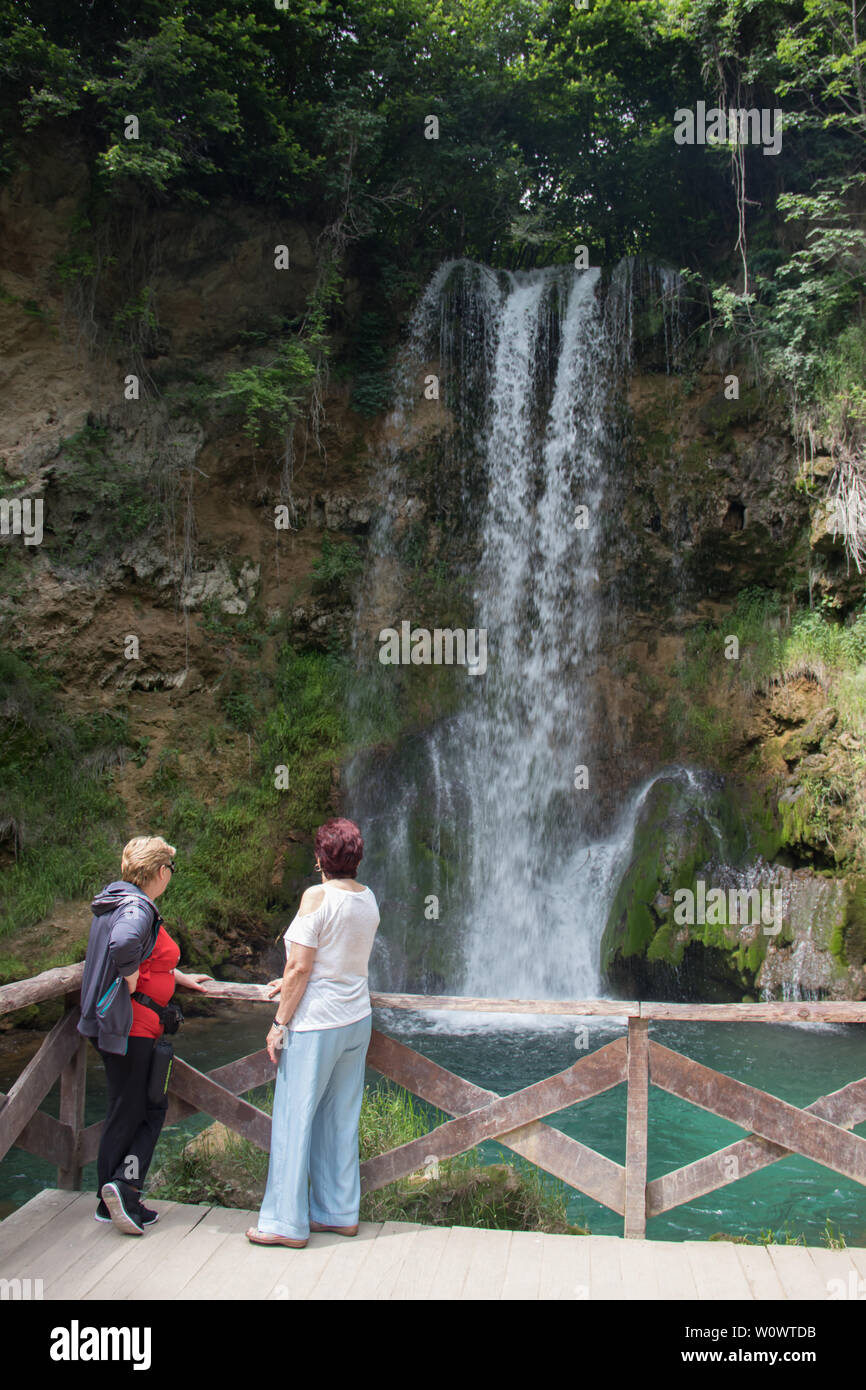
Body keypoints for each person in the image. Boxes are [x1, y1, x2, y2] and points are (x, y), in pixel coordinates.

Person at [247, 817, 380, 1248]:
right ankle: (338, 1213)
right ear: (356, 857)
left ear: (322, 858)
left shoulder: (316, 896)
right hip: (356, 1020)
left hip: (317, 1023)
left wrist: (279, 1023)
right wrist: (289, 982)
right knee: (340, 1119)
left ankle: (284, 1223)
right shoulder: (368, 899)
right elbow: (333, 960)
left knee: (292, 1119)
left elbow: (302, 966)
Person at [77, 835, 211, 1235]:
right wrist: (132, 975)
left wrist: (176, 978)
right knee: (144, 1112)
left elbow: (140, 951)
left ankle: (116, 1198)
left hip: (118, 1024)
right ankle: (121, 1189)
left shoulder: (115, 901)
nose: (171, 876)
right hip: (132, 1027)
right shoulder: (138, 907)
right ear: (160, 872)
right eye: (170, 868)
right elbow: (124, 945)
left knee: (128, 1109)